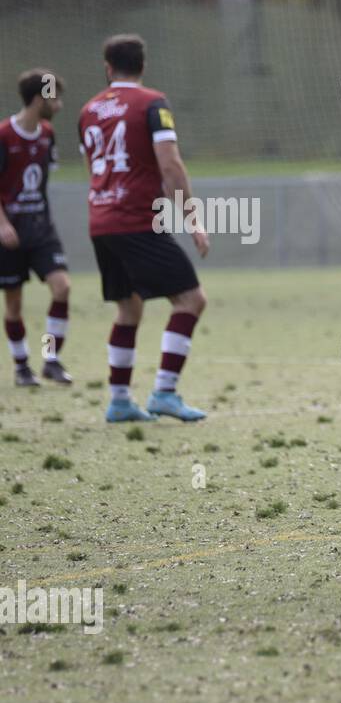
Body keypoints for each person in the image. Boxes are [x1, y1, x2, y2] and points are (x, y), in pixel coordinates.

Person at [77, 34, 209, 421]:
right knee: (191, 300)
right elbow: (170, 165)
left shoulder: (88, 110)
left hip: (101, 221)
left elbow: (92, 171)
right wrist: (193, 220)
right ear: (143, 66)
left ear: (108, 67)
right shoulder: (153, 103)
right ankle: (164, 393)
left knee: (128, 309)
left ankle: (119, 401)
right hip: (136, 219)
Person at [1, 68, 73, 386]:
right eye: (54, 98)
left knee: (62, 287)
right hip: (8, 232)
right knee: (14, 302)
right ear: (37, 99)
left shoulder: (47, 134)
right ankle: (21, 367)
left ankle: (50, 359)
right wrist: (3, 225)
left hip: (41, 228)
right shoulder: (4, 136)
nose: (58, 105)